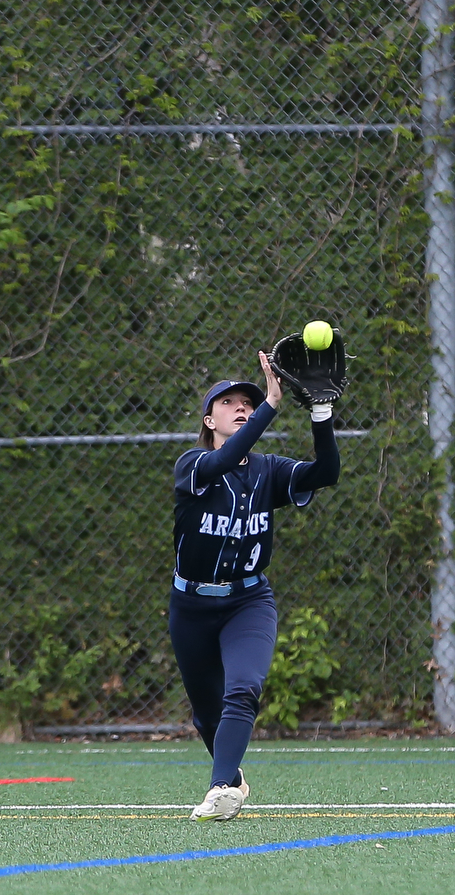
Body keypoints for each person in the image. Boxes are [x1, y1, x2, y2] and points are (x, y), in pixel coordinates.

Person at [171, 350, 341, 821]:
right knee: (206, 715)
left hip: (249, 601)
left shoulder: (267, 470)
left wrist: (321, 414)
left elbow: (326, 473)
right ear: (209, 419)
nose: (241, 406)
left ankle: (220, 787)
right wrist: (270, 403)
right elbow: (224, 459)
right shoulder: (192, 465)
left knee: (243, 689)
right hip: (190, 607)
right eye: (228, 402)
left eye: (247, 400)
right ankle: (233, 776)